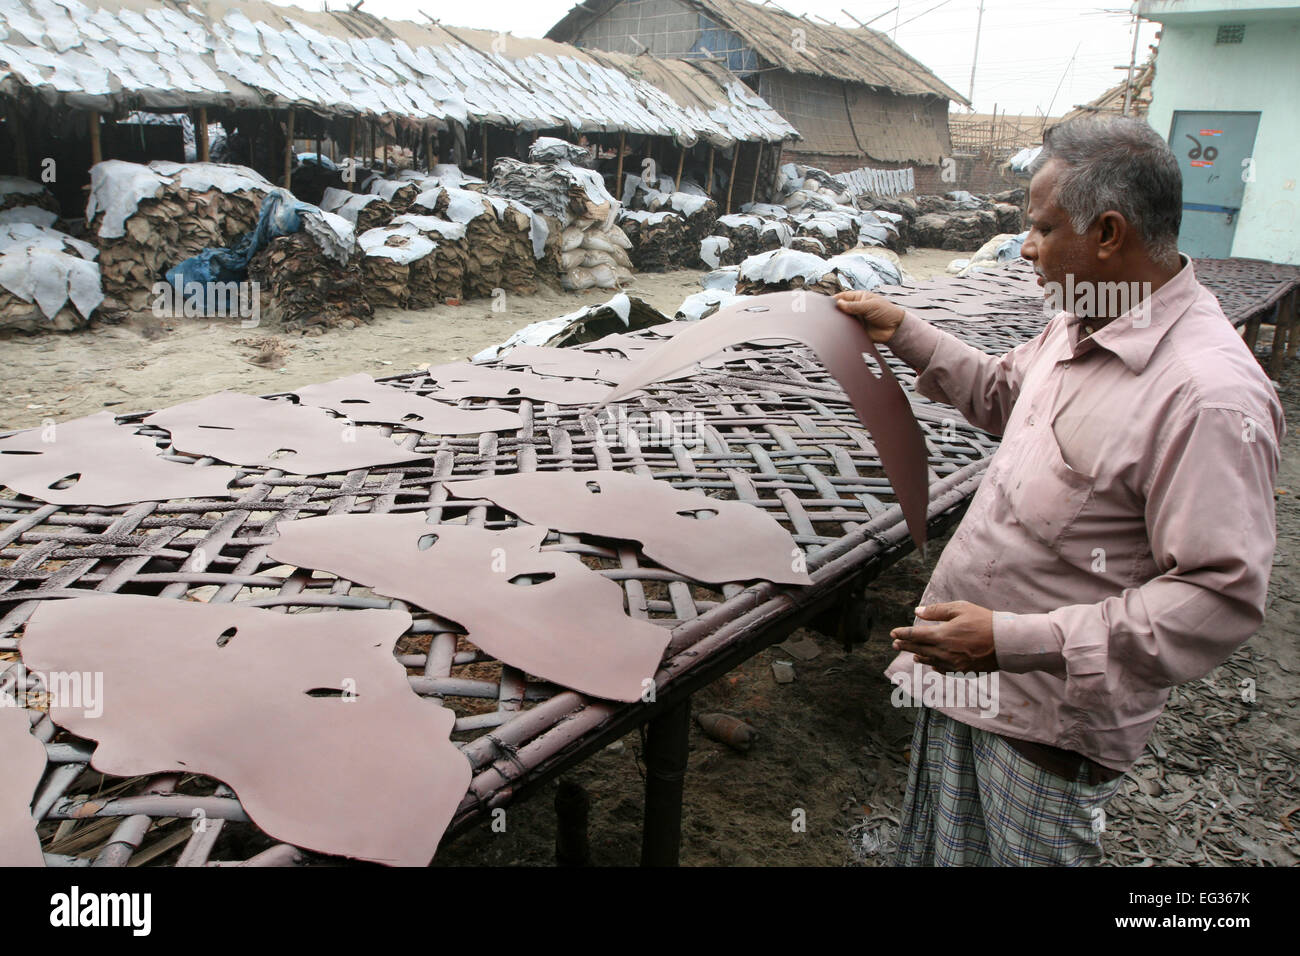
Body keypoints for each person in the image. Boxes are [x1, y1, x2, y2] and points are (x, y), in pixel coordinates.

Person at [834, 116, 1284, 866]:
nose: (1026, 249)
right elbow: (1009, 394)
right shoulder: (1081, 322)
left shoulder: (1206, 396)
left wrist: (1013, 640)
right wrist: (904, 329)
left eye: (1041, 228)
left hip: (1047, 723)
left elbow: (1218, 597)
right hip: (972, 682)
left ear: (1108, 233)